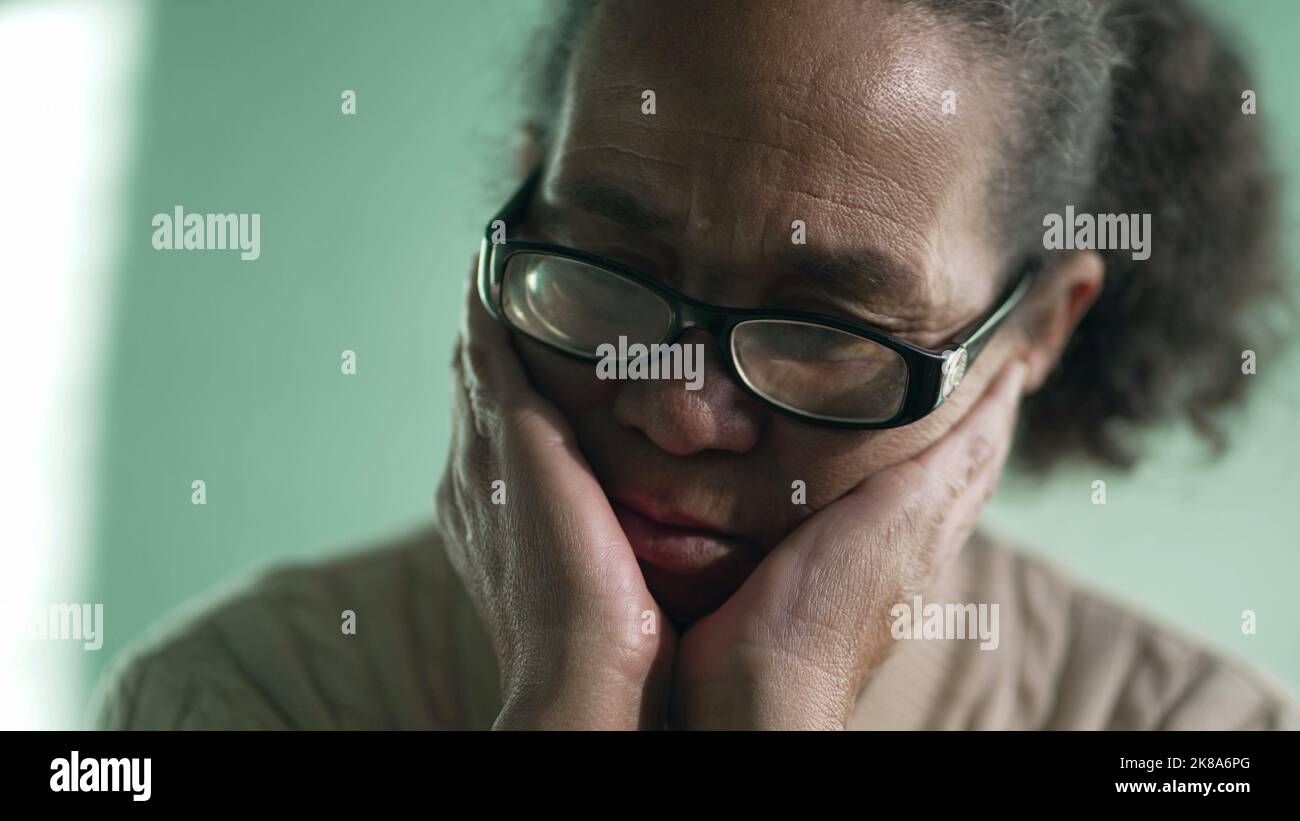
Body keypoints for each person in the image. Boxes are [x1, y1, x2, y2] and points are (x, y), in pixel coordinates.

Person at [92, 0, 1298, 730]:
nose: (677, 411)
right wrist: (571, 690)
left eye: (828, 327)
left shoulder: (1186, 731)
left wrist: (786, 695)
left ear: (1036, 329)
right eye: (611, 260)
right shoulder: (244, 694)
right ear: (525, 196)